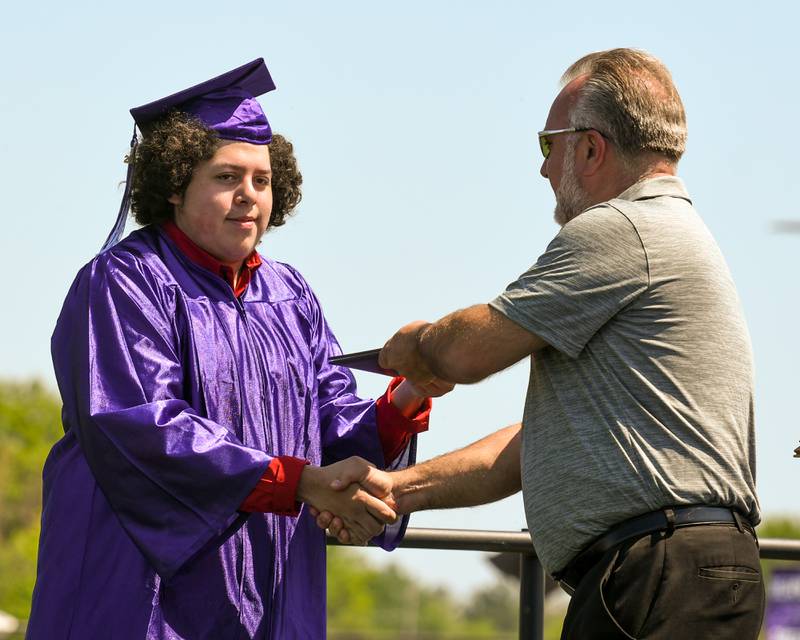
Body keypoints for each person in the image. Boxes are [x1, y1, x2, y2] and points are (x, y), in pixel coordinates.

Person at [317, 48, 765, 639]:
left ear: (589, 147)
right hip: (684, 572)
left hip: (658, 574)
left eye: (547, 144)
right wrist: (394, 491)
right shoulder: (669, 232)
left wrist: (415, 347)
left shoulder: (622, 228)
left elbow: (463, 355)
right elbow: (539, 448)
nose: (545, 169)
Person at [27, 59, 451, 640]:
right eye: (227, 177)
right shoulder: (126, 281)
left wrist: (411, 389)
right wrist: (293, 480)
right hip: (144, 591)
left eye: (262, 179)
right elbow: (141, 428)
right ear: (174, 185)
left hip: (273, 586)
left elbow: (329, 419)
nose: (249, 197)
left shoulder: (290, 293)